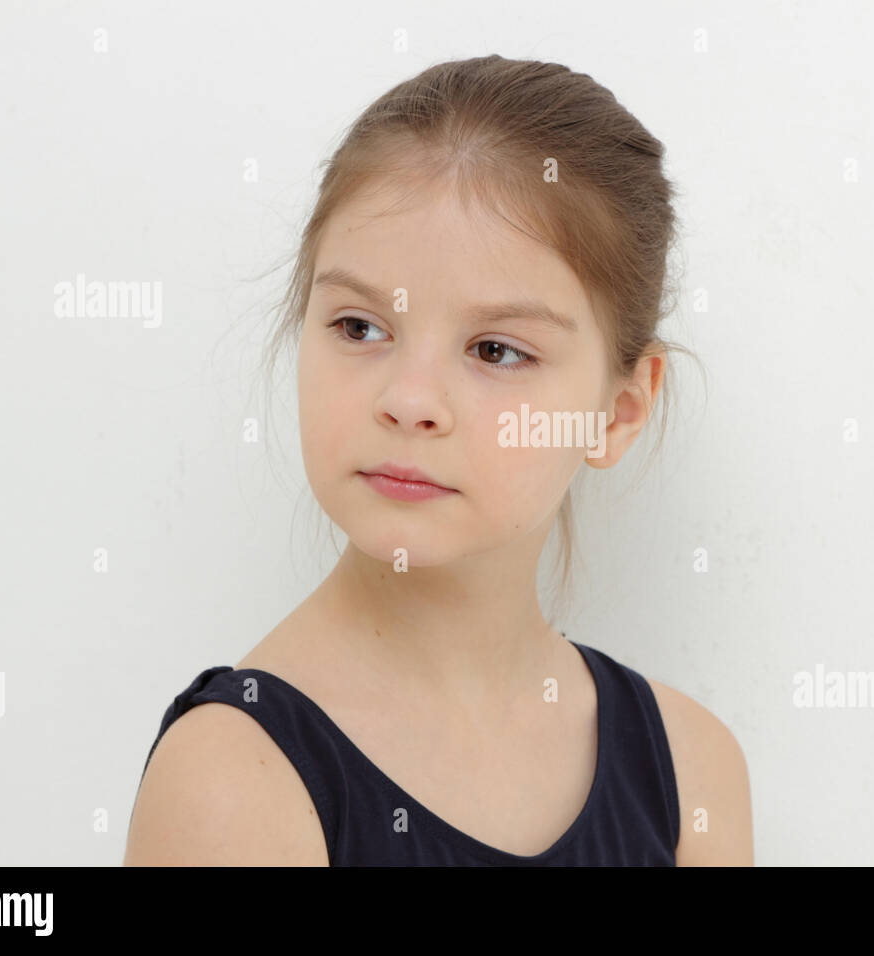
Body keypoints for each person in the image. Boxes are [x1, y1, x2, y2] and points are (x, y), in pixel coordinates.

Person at [124, 55, 752, 866]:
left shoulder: (692, 773)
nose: (409, 398)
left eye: (496, 350)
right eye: (360, 328)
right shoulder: (234, 783)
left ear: (618, 412)